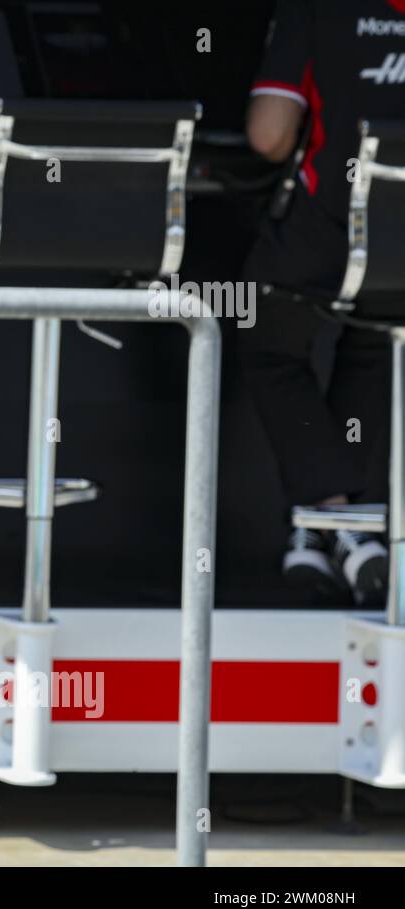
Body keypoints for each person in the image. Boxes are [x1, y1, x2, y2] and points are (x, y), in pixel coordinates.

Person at [239, 0, 405, 604]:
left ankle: (332, 520)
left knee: (268, 348)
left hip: (325, 237)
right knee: (372, 341)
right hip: (397, 255)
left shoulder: (317, 11)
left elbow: (269, 136)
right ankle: (338, 533)